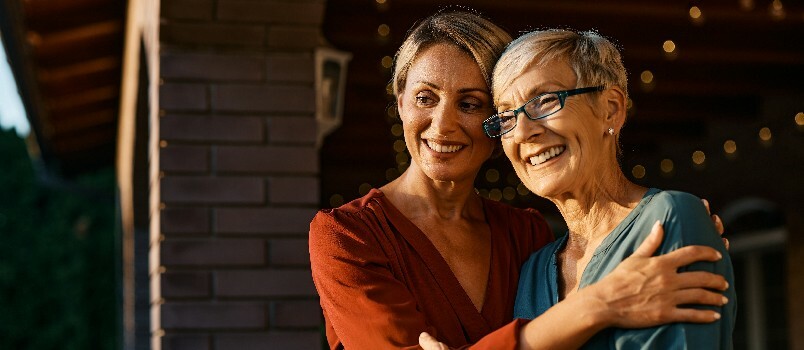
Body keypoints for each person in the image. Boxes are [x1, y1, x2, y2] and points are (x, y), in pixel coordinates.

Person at [310, 11, 729, 350]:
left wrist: (679, 223)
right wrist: (598, 304)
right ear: (400, 102)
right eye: (425, 97)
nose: (443, 124)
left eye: (472, 104)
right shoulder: (347, 234)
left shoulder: (526, 237)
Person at [425, 28, 736, 349]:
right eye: (506, 117)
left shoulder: (668, 217)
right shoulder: (534, 269)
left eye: (544, 101)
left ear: (610, 108)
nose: (523, 133)